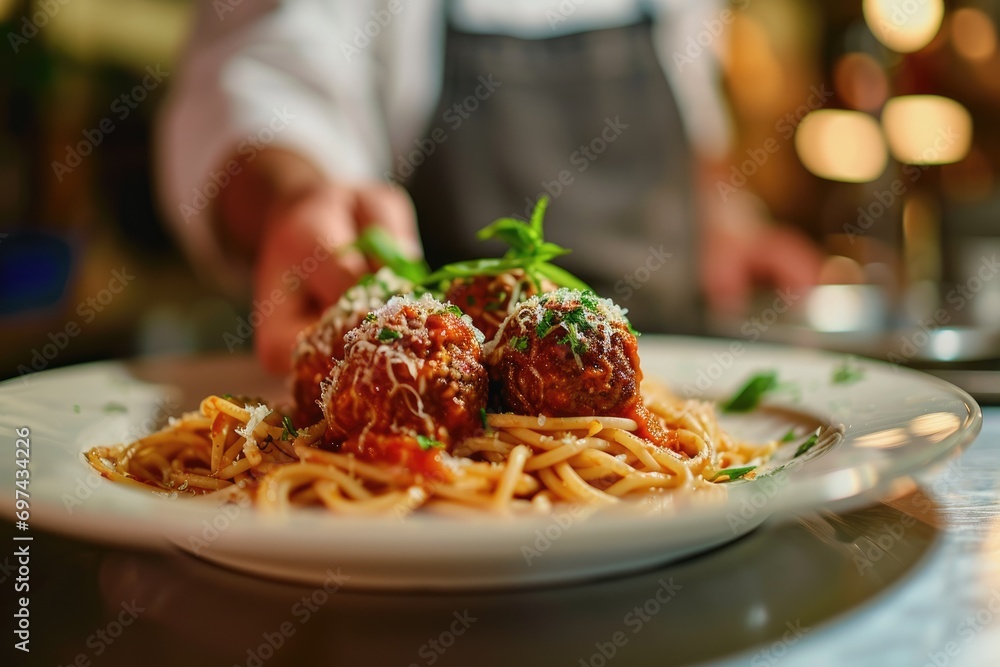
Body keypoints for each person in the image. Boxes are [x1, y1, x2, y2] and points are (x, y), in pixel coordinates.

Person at [157, 0, 822, 374]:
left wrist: (725, 223)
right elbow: (263, 78)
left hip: (673, 384)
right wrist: (297, 199)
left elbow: (690, 93)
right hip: (432, 388)